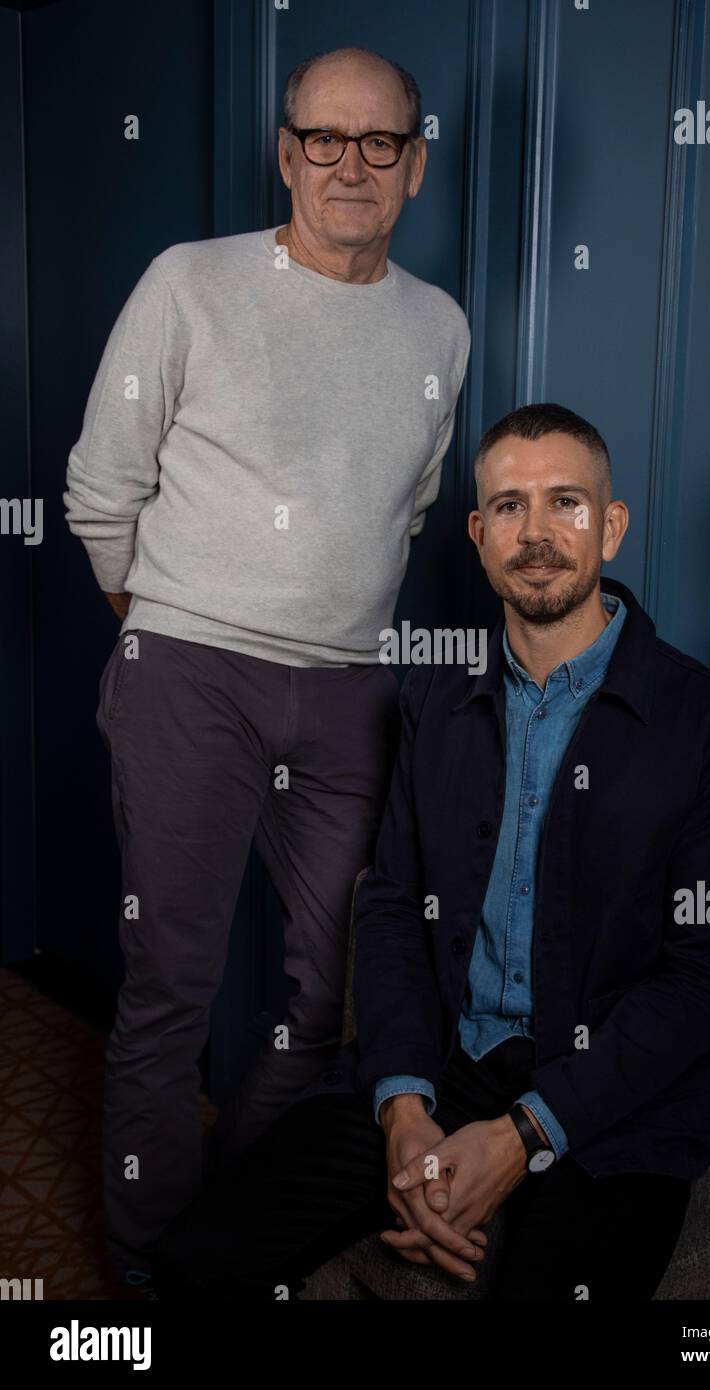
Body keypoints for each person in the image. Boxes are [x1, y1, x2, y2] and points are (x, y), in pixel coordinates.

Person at [151, 403, 710, 1301]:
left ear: (613, 525)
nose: (539, 533)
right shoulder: (436, 702)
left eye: (566, 501)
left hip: (610, 1108)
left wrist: (523, 1134)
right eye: (510, 508)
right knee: (193, 1263)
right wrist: (403, 1106)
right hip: (440, 1063)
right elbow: (396, 902)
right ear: (479, 537)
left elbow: (706, 981)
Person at [62, 46, 470, 1288]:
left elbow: (405, 509)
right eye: (325, 140)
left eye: (379, 142)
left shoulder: (438, 325)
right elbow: (100, 490)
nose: (351, 165)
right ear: (286, 153)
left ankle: (225, 1245)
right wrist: (172, 623)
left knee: (336, 991)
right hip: (190, 667)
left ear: (412, 164)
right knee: (170, 985)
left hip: (351, 691)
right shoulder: (189, 284)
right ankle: (148, 1276)